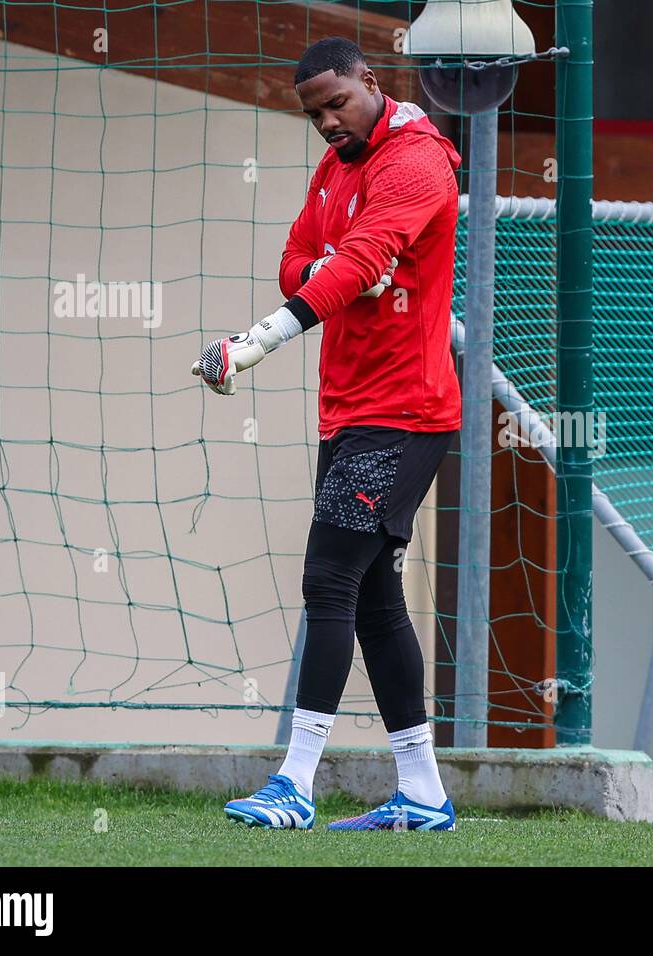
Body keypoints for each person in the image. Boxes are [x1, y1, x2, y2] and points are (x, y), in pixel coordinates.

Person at [194, 36, 462, 832]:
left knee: (326, 581)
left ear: (370, 82)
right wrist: (326, 272)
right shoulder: (336, 167)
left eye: (336, 103)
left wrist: (255, 341)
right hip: (350, 408)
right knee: (377, 601)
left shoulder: (416, 162)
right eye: (313, 113)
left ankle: (295, 783)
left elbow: (363, 258)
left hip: (404, 413)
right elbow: (301, 258)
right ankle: (423, 794)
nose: (326, 122)